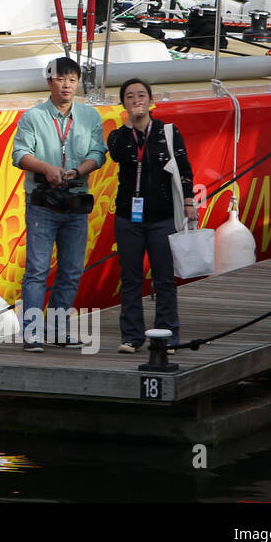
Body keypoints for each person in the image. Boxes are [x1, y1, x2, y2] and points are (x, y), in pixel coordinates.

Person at [11, 56, 108, 351]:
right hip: (42, 201)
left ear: (77, 83)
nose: (66, 85)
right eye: (61, 78)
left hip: (77, 199)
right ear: (49, 81)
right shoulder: (32, 117)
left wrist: (78, 171)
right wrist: (46, 169)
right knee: (38, 269)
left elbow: (99, 153)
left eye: (72, 79)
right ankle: (31, 332)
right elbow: (19, 155)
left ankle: (58, 329)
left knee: (71, 270)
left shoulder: (90, 117)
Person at [107, 78, 195, 351]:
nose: (137, 100)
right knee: (131, 278)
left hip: (162, 217)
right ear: (124, 103)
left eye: (141, 95)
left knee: (164, 279)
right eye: (130, 96)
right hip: (128, 218)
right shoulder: (119, 135)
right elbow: (118, 155)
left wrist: (189, 202)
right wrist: (130, 125)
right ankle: (132, 336)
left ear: (151, 100)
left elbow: (183, 167)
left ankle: (167, 336)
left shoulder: (167, 131)